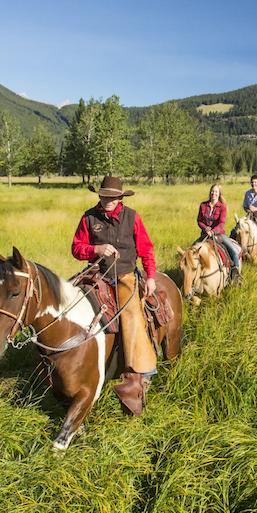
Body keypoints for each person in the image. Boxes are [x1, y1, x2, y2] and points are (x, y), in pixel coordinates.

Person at [71, 175, 157, 415]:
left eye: (112, 198)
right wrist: (94, 249)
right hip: (96, 273)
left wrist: (150, 276)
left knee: (130, 314)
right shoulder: (89, 217)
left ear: (120, 198)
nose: (106, 201)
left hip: (124, 275)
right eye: (103, 196)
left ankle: (139, 373)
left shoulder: (132, 217)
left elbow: (147, 249)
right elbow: (76, 248)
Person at [196, 182, 242, 282]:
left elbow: (221, 223)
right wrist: (205, 228)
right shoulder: (203, 205)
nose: (214, 193)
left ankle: (236, 276)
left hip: (219, 234)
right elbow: (199, 220)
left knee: (234, 251)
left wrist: (212, 231)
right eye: (212, 191)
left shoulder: (222, 207)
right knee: (190, 252)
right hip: (205, 234)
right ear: (210, 192)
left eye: (216, 191)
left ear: (219, 193)